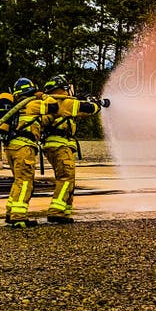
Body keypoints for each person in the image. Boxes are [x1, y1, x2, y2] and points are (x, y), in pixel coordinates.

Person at [41, 74, 108, 224]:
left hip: (53, 145)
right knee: (66, 178)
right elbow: (89, 109)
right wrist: (96, 103)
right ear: (62, 88)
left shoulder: (49, 101)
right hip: (60, 145)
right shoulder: (64, 102)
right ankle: (56, 212)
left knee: (67, 179)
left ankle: (65, 212)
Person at [1, 77, 58, 228]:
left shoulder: (16, 107)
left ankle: (11, 213)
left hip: (11, 147)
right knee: (25, 182)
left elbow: (41, 121)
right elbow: (54, 106)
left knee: (18, 181)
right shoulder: (33, 104)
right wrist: (43, 96)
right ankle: (19, 217)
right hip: (24, 148)